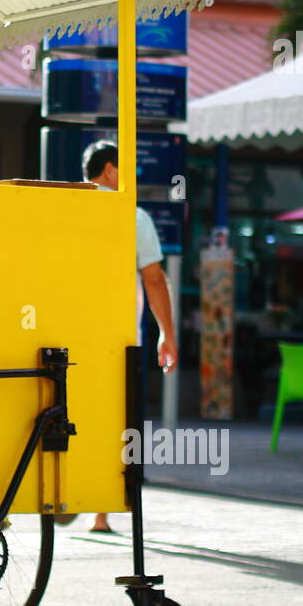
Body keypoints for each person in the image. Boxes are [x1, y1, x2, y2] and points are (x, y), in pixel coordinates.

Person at [82, 140, 179, 533]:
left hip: (62, 332)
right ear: (108, 170)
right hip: (116, 335)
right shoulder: (132, 216)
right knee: (117, 418)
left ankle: (63, 490)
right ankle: (102, 512)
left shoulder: (64, 211)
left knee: (70, 410)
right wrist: (167, 334)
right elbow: (153, 279)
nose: (132, 177)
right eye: (126, 168)